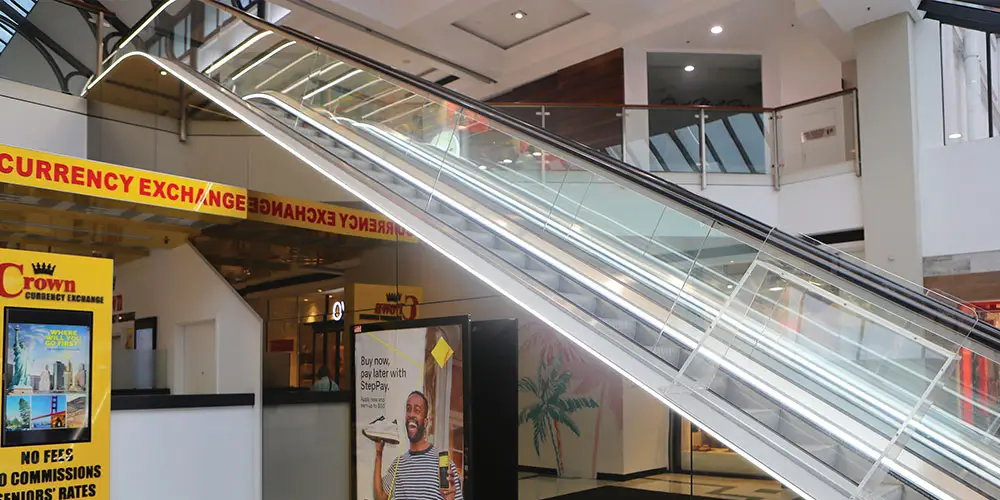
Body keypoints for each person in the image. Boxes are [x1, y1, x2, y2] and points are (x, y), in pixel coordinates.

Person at [373, 391, 463, 500]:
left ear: (425, 422)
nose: (411, 414)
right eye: (408, 409)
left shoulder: (444, 463)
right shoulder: (398, 464)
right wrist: (378, 453)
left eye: (417, 410)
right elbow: (380, 498)